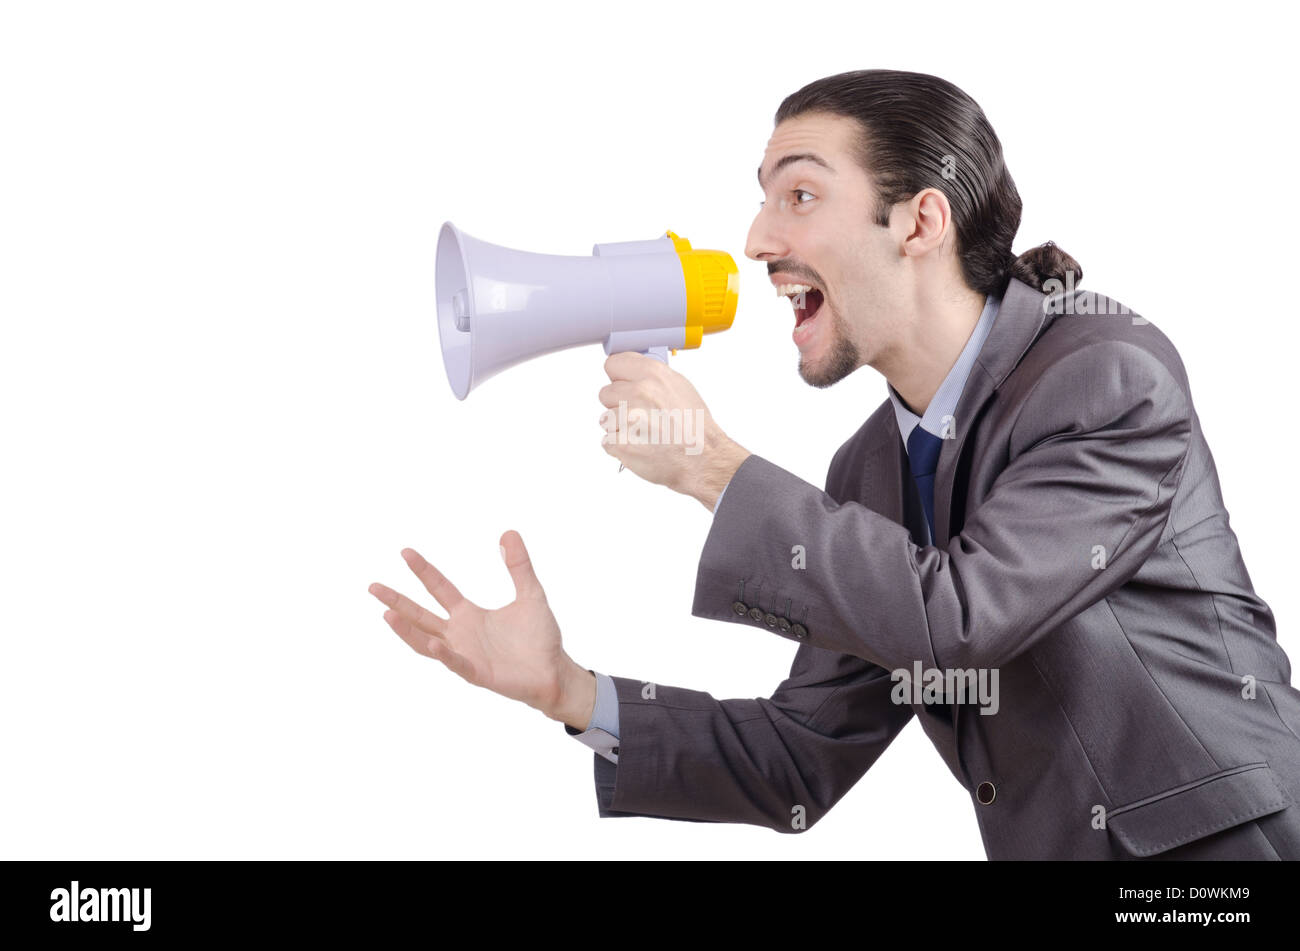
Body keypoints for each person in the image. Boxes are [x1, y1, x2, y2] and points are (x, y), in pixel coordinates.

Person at [368, 69, 1300, 859]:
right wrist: (567, 691)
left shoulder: (1104, 376)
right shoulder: (871, 471)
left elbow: (962, 619)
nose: (757, 241)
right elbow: (799, 755)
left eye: (799, 195)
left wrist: (711, 468)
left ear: (921, 220)